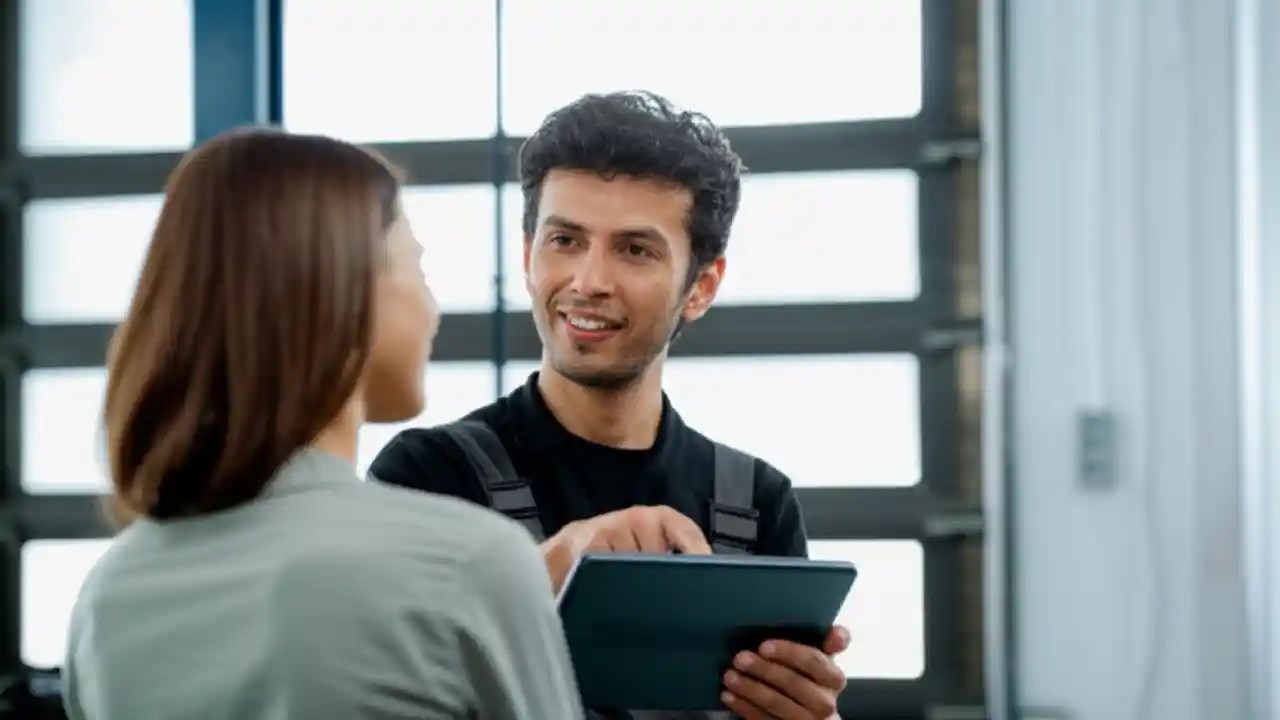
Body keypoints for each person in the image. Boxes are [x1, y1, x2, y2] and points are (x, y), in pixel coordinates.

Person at [61, 128, 583, 720]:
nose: (432, 307)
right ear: (348, 290)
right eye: (415, 265)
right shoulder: (470, 562)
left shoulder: (106, 598)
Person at [369, 91, 849, 720]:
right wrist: (530, 580)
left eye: (635, 250)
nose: (589, 280)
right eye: (565, 240)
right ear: (527, 255)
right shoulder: (427, 478)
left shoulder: (757, 504)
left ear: (701, 286)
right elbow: (373, 692)